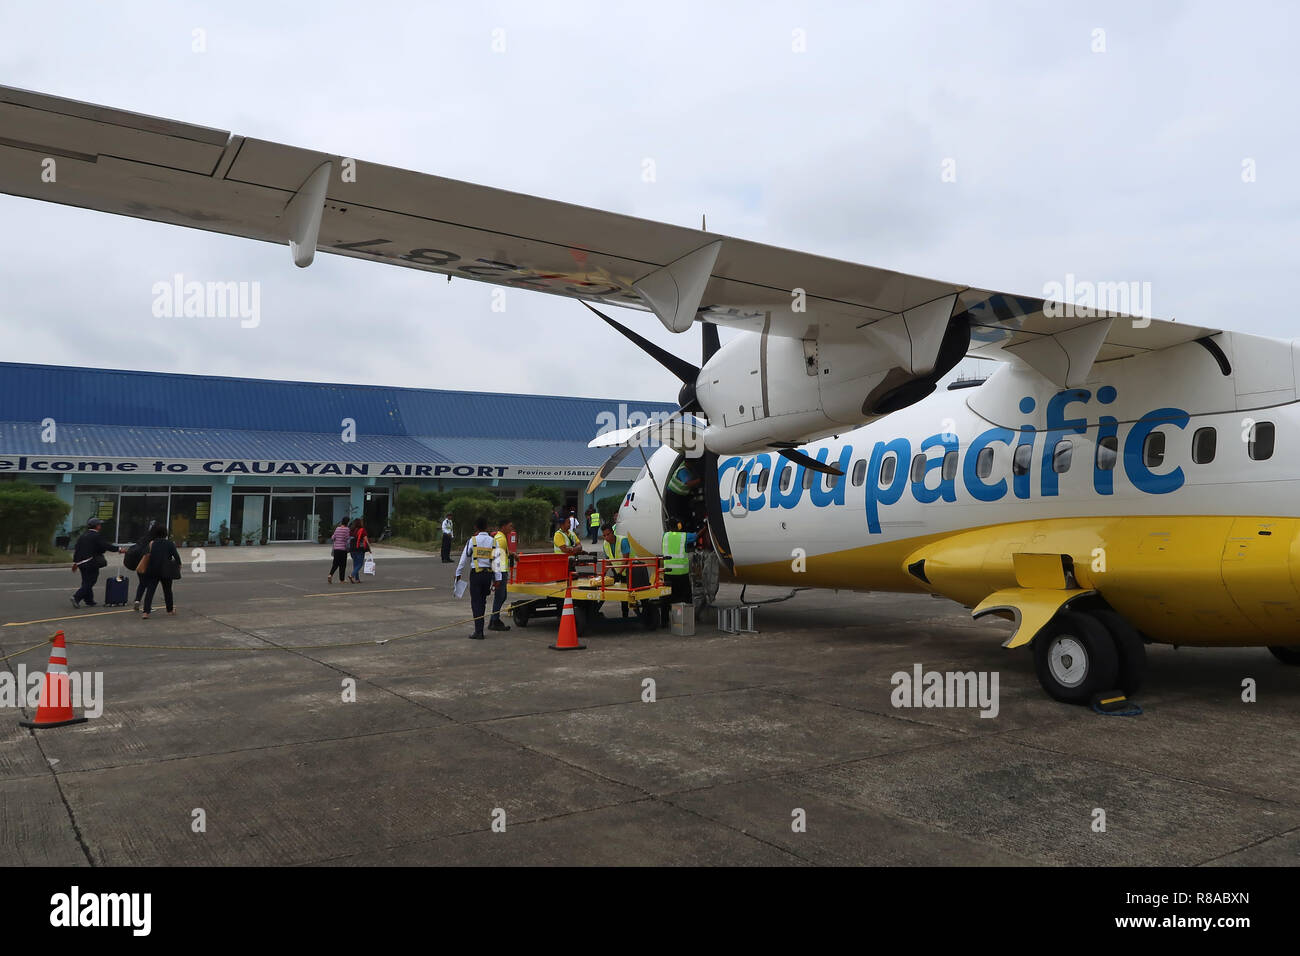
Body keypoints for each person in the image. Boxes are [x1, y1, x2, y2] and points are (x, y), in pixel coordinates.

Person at [70, 518, 127, 608]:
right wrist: (119, 549)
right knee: (91, 581)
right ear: (96, 526)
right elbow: (105, 545)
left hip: (81, 563)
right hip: (91, 562)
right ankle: (76, 597)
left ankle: (89, 600)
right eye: (99, 524)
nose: (100, 526)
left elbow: (77, 549)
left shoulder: (83, 535)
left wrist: (75, 563)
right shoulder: (96, 536)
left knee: (86, 581)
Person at [455, 516, 495, 639]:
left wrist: (458, 573)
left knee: (476, 603)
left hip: (476, 575)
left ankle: (479, 631)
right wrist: (497, 579)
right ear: (487, 527)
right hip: (488, 575)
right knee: (482, 602)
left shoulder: (472, 541)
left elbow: (463, 559)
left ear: (476, 527)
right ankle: (480, 629)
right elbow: (497, 562)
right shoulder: (493, 541)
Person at [139, 523, 182, 619]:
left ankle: (146, 612)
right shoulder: (170, 544)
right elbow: (176, 556)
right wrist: (179, 565)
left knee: (150, 591)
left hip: (153, 569)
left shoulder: (152, 543)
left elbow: (146, 554)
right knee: (167, 591)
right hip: (166, 570)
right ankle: (170, 610)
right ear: (165, 534)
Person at [662, 521, 699, 605]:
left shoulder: (665, 535)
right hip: (681, 574)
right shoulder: (683, 536)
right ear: (678, 526)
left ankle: (667, 617)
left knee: (668, 598)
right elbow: (695, 536)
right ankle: (684, 615)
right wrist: (705, 528)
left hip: (668, 573)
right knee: (686, 599)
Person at [126, 519, 158, 611]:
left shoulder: (143, 538)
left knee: (142, 583)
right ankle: (147, 607)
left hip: (139, 564)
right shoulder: (154, 541)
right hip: (148, 564)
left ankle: (137, 600)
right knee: (150, 586)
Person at [601, 524, 632, 619]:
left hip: (630, 571)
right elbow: (609, 560)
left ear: (612, 532)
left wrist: (619, 573)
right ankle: (625, 616)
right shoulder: (605, 544)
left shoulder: (623, 540)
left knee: (631, 594)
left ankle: (630, 615)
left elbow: (626, 559)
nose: (606, 537)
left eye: (608, 534)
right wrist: (603, 574)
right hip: (618, 571)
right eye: (604, 535)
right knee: (622, 595)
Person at [487, 518, 514, 632]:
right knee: (500, 596)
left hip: (501, 571)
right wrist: (497, 577)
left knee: (502, 596)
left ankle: (494, 619)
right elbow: (496, 558)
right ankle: (494, 621)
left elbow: (503, 553)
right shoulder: (500, 539)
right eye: (510, 526)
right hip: (500, 572)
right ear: (503, 526)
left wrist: (512, 554)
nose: (511, 528)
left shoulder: (501, 537)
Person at [327, 517, 350, 584]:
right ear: (347, 522)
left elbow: (333, 537)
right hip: (343, 549)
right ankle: (342, 579)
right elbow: (347, 539)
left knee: (335, 564)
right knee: (343, 565)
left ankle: (330, 574)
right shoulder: (347, 529)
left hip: (336, 549)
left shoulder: (337, 528)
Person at [348, 518, 371, 583]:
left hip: (352, 549)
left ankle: (357, 579)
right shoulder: (362, 530)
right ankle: (352, 575)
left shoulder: (351, 530)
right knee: (360, 563)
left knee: (355, 564)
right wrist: (369, 548)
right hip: (359, 548)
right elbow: (366, 540)